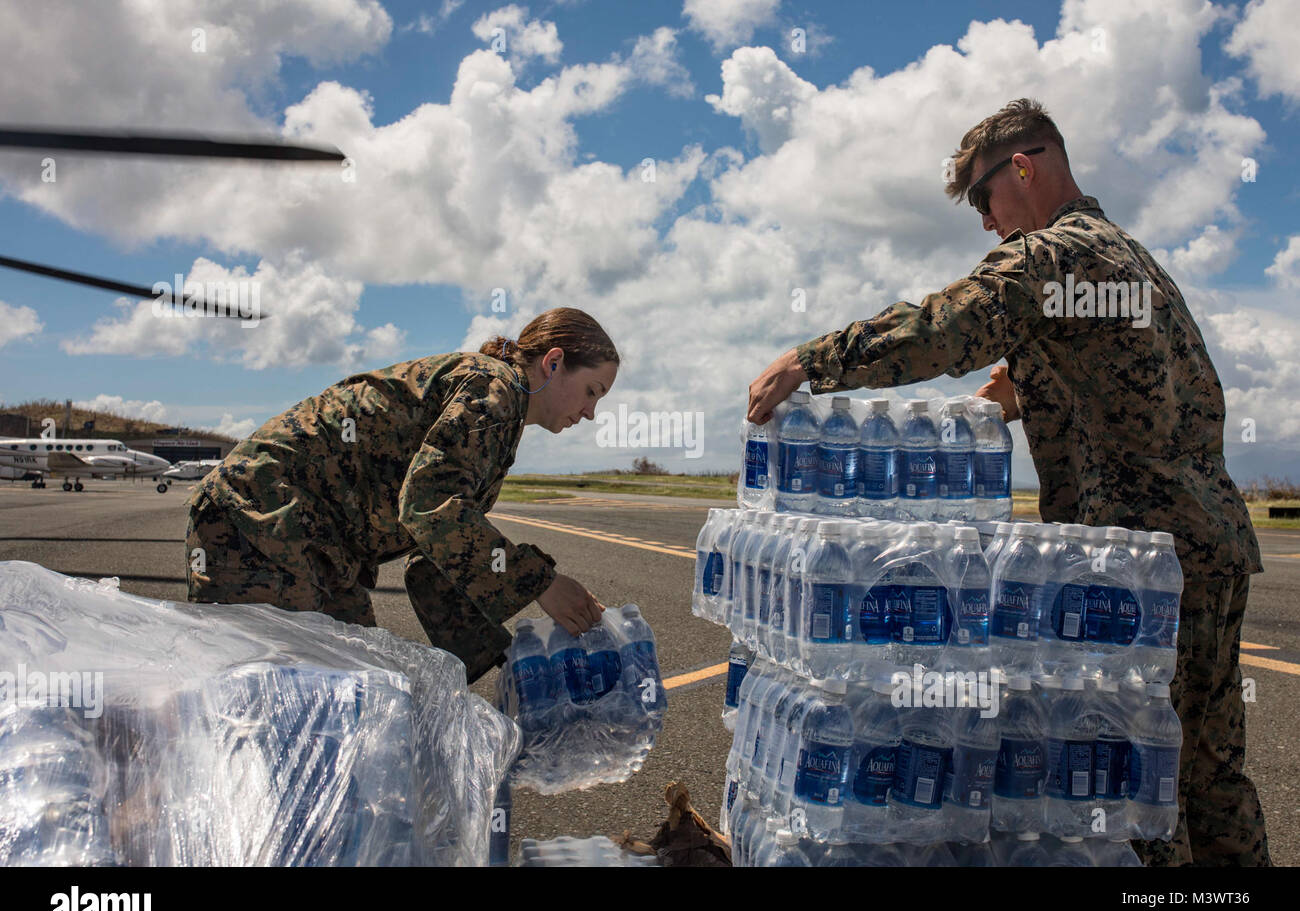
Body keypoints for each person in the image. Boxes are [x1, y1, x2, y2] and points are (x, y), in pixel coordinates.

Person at [747, 99, 1269, 866]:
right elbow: (1152, 386)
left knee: (1136, 788)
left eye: (984, 201)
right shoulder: (1130, 258)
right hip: (1211, 541)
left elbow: (950, 322)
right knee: (1210, 768)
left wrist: (811, 362)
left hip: (1144, 569)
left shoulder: (1057, 255)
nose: (988, 225)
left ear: (1022, 167)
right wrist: (1033, 391)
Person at [185, 306, 617, 682]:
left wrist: (511, 660)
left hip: (315, 544)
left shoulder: (500, 414)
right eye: (592, 391)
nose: (590, 412)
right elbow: (430, 507)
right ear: (554, 362)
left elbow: (432, 558)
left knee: (354, 691)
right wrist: (541, 582)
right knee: (281, 702)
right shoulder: (494, 389)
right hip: (261, 519)